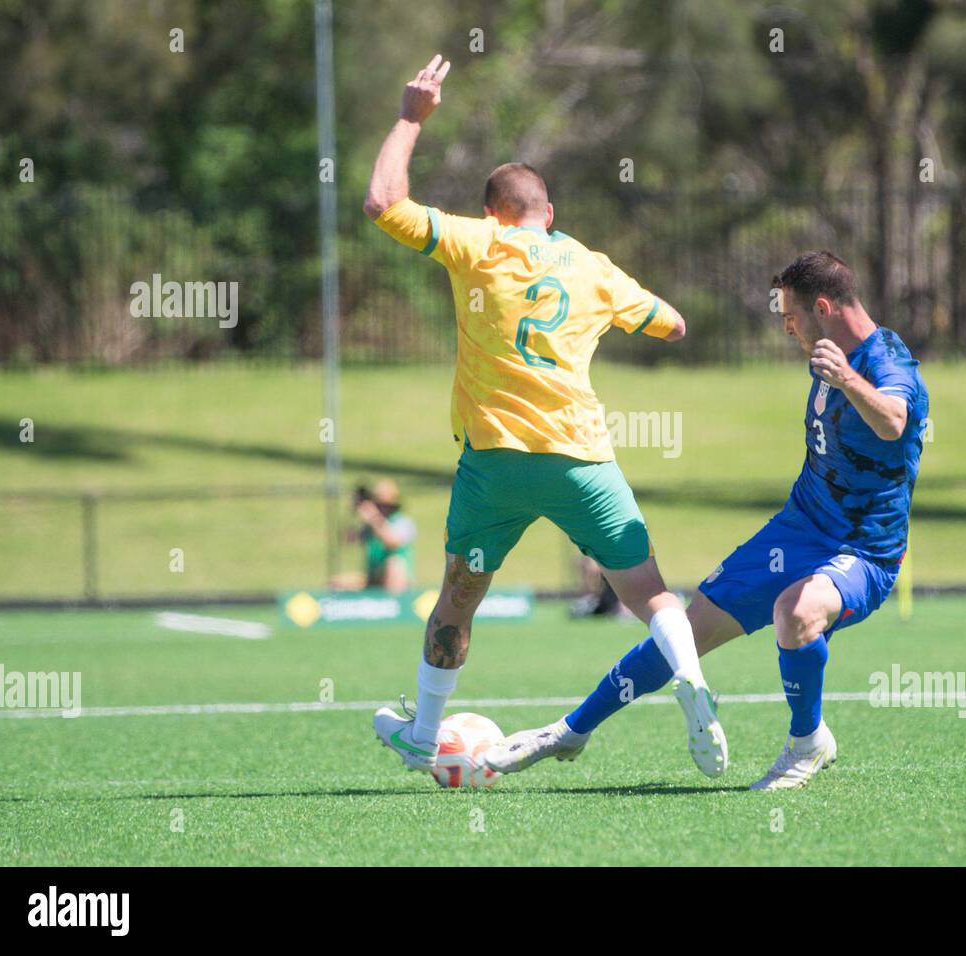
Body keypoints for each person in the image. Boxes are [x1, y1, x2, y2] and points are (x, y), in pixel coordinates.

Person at [363, 55, 726, 780]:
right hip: (581, 460)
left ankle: (423, 733)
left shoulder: (477, 242)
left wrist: (411, 116)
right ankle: (691, 679)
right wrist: (617, 314)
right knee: (649, 591)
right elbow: (675, 326)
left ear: (492, 212)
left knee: (457, 603)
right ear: (548, 214)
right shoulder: (591, 265)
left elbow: (382, 203)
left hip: (495, 465)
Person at [487, 251, 929, 791]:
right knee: (685, 634)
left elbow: (895, 421)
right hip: (799, 530)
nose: (787, 329)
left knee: (797, 612)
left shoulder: (886, 359)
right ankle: (570, 731)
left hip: (864, 550)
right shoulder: (830, 354)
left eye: (790, 318)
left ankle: (807, 741)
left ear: (822, 307)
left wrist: (847, 381)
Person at [330, 478, 416, 594]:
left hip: (396, 580)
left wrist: (372, 516)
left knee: (394, 563)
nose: (380, 508)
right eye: (377, 504)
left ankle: (395, 603)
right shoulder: (370, 526)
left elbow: (392, 542)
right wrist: (354, 512)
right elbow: (348, 539)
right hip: (373, 577)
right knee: (336, 584)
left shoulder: (402, 522)